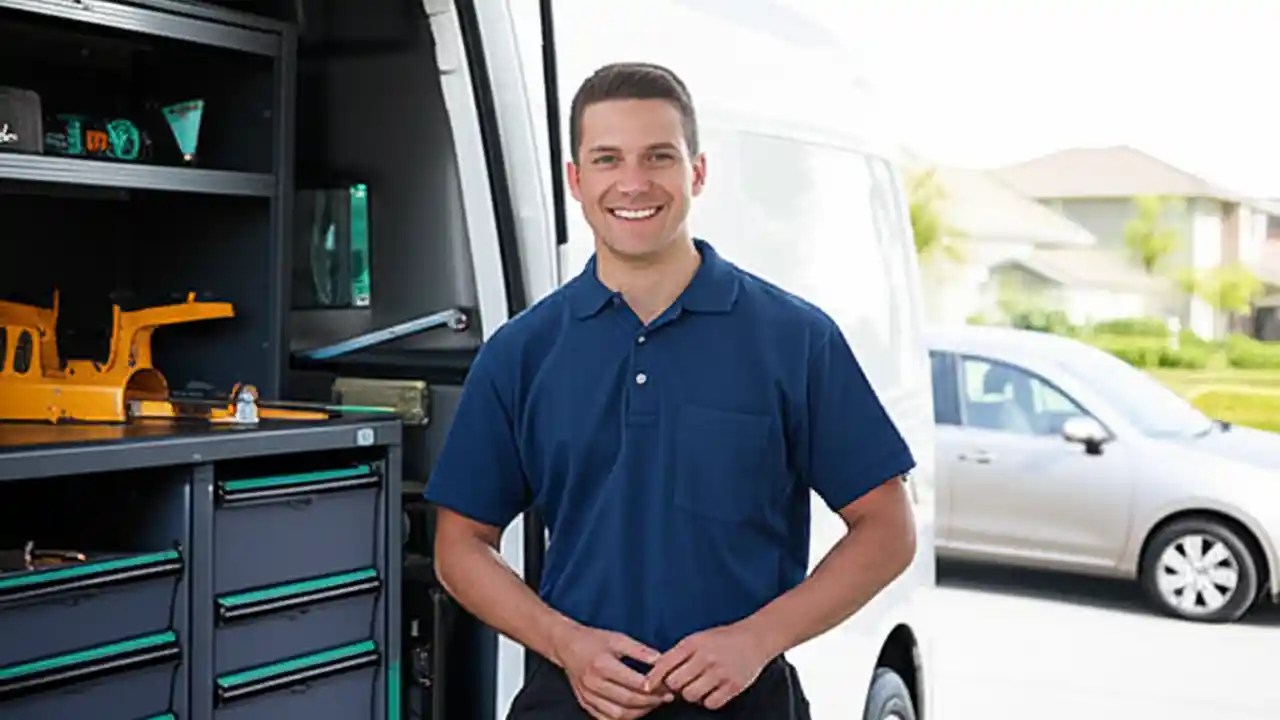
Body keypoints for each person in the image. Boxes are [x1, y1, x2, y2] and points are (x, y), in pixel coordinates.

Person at [425, 61, 918, 720]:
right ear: (575, 179)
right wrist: (565, 643)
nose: (633, 182)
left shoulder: (794, 339)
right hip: (574, 700)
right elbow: (459, 544)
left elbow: (887, 529)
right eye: (607, 159)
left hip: (745, 703)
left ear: (698, 172)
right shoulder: (523, 351)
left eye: (659, 156)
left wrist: (756, 639)